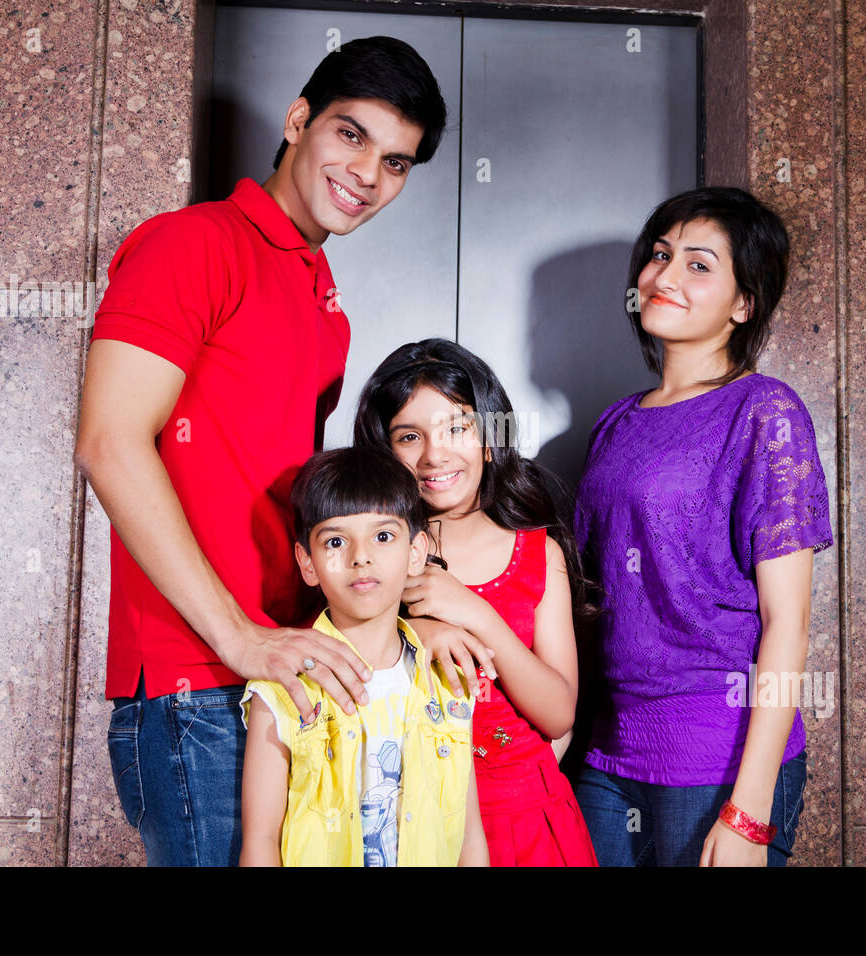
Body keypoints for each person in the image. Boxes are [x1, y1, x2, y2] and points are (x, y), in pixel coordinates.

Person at [73, 37, 449, 866]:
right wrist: (239, 638)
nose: (367, 174)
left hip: (284, 675)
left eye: (396, 162)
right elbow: (109, 441)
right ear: (298, 118)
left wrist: (419, 588)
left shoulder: (327, 310)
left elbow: (313, 509)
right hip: (194, 686)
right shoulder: (193, 242)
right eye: (350, 135)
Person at [572, 187, 834, 866]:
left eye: (698, 264)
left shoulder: (764, 411)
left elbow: (788, 623)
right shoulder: (617, 421)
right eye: (660, 256)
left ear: (743, 304)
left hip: (715, 758)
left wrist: (748, 812)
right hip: (606, 752)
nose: (663, 276)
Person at [352, 339, 600, 866]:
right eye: (409, 436)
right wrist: (415, 635)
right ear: (384, 452)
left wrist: (475, 612)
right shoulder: (370, 553)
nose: (434, 454)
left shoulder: (537, 552)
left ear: (490, 438)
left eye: (456, 429)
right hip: (413, 821)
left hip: (525, 819)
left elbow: (559, 715)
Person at [239, 447, 489, 866]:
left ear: (415, 552)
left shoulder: (447, 684)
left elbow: (468, 837)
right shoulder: (283, 691)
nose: (360, 556)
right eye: (335, 541)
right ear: (308, 562)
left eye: (384, 536)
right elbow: (261, 841)